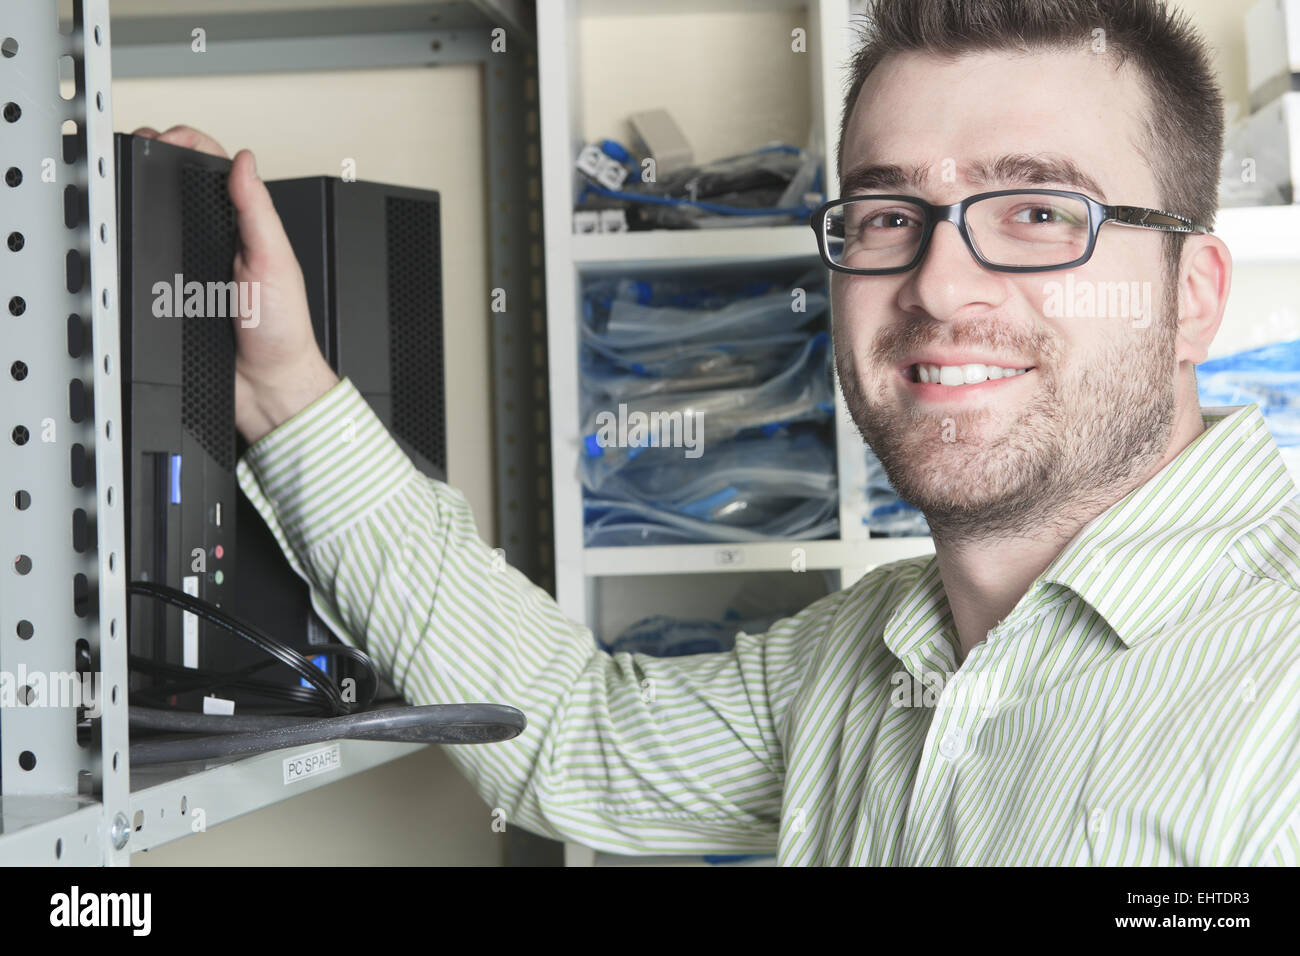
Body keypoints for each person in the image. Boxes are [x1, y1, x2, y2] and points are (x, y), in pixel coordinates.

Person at [135, 0, 1300, 865]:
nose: (941, 286)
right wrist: (286, 389)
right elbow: (574, 738)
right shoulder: (858, 654)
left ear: (1193, 291)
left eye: (1039, 211)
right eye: (890, 212)